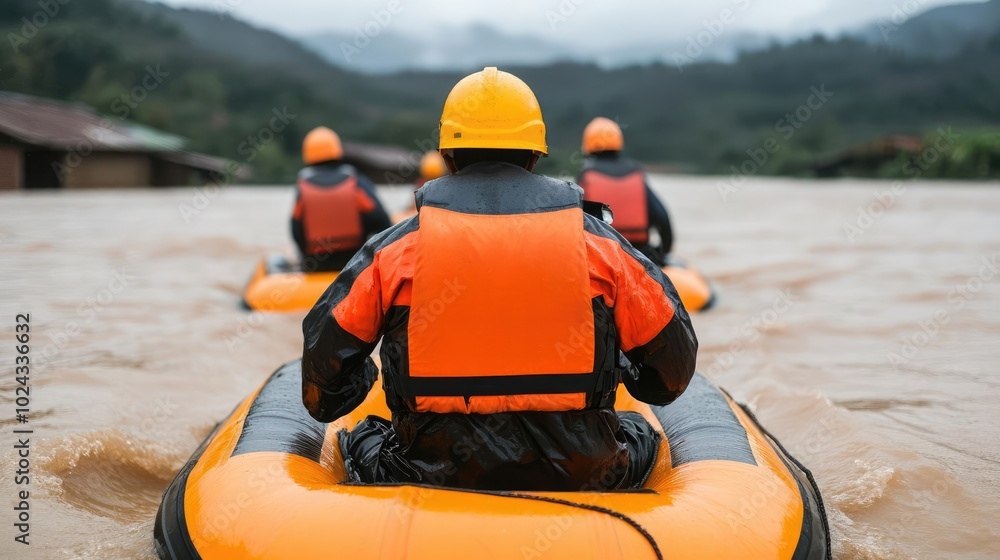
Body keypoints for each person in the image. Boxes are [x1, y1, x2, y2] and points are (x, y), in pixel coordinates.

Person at [301, 68, 697, 492]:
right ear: (534, 156)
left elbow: (322, 392)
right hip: (582, 471)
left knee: (361, 432)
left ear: (448, 158)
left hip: (424, 471)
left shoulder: (392, 252)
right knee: (638, 426)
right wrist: (626, 373)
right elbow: (670, 374)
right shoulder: (602, 247)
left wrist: (364, 380)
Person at [291, 126, 392, 271]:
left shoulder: (302, 186)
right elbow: (382, 221)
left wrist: (304, 257)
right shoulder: (356, 181)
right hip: (353, 264)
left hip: (317, 266)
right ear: (337, 151)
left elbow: (296, 231)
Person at [577, 117, 675, 266]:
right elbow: (663, 218)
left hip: (602, 258)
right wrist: (662, 255)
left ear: (588, 146)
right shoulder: (636, 174)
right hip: (640, 255)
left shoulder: (586, 177)